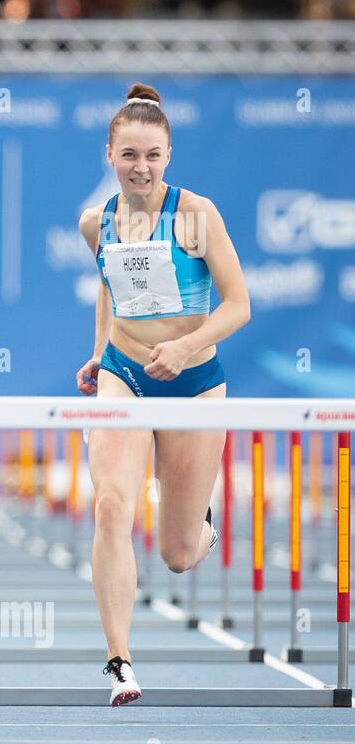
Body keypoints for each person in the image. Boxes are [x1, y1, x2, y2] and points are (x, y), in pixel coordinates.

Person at [74, 82, 250, 705]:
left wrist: (183, 347)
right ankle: (119, 661)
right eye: (129, 156)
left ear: (169, 155)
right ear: (110, 155)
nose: (140, 168)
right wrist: (99, 353)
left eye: (152, 155)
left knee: (177, 553)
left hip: (194, 380)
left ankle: (198, 523)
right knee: (111, 506)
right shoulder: (96, 223)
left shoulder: (196, 215)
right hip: (125, 373)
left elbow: (239, 305)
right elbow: (107, 287)